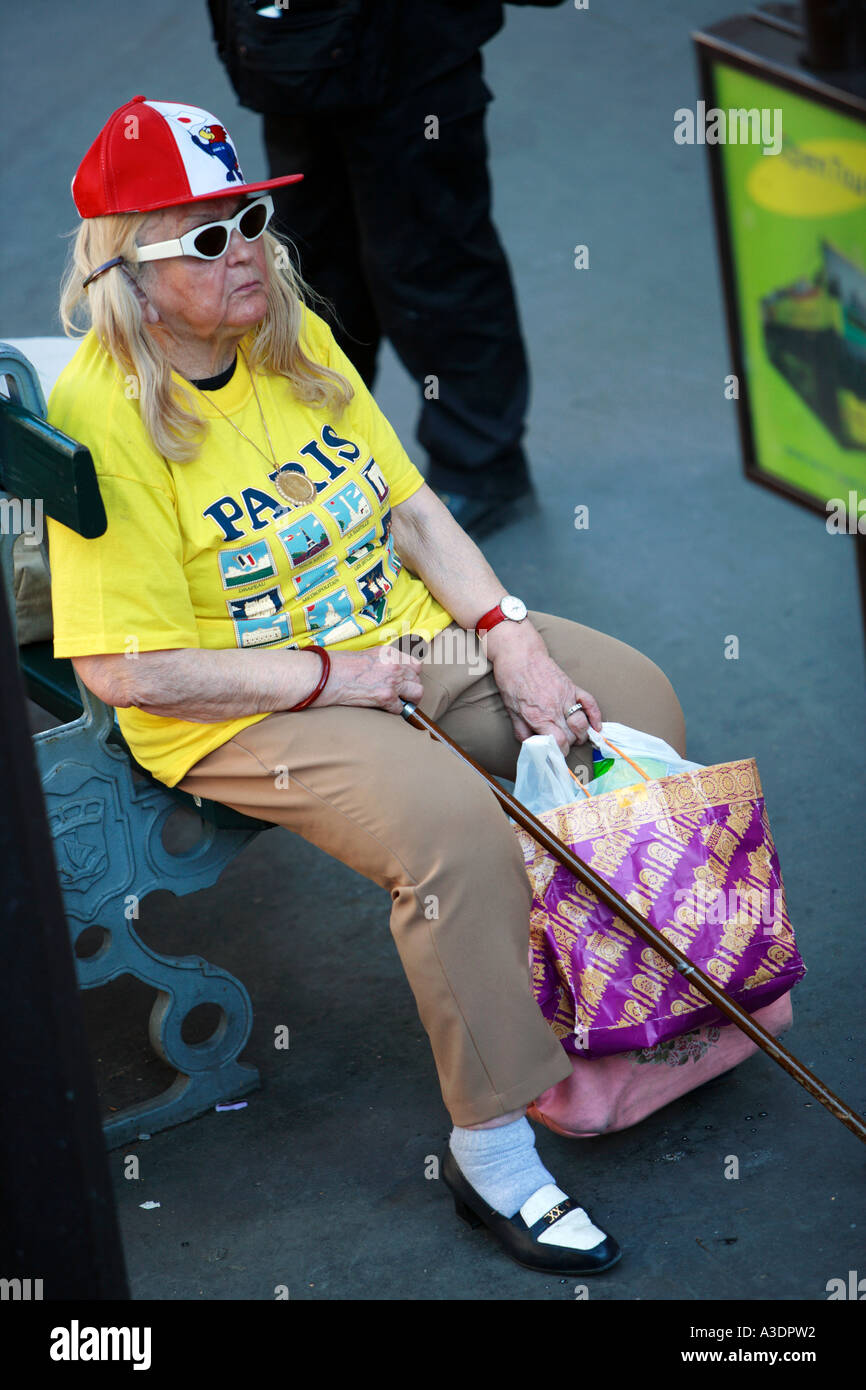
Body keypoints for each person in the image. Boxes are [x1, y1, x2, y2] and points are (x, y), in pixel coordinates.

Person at [48, 96, 686, 1278]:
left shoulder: (288, 330)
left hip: (400, 646)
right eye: (203, 236)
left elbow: (409, 508)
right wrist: (330, 674)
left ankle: (600, 1016)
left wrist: (505, 632)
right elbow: (123, 665)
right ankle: (492, 1153)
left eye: (247, 216)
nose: (242, 249)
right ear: (125, 274)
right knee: (452, 838)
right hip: (234, 707)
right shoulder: (108, 412)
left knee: (624, 694)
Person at [206, 0, 565, 537]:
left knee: (432, 265)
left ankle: (482, 467)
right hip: (293, 52)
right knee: (313, 268)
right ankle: (330, 450)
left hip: (411, 52)